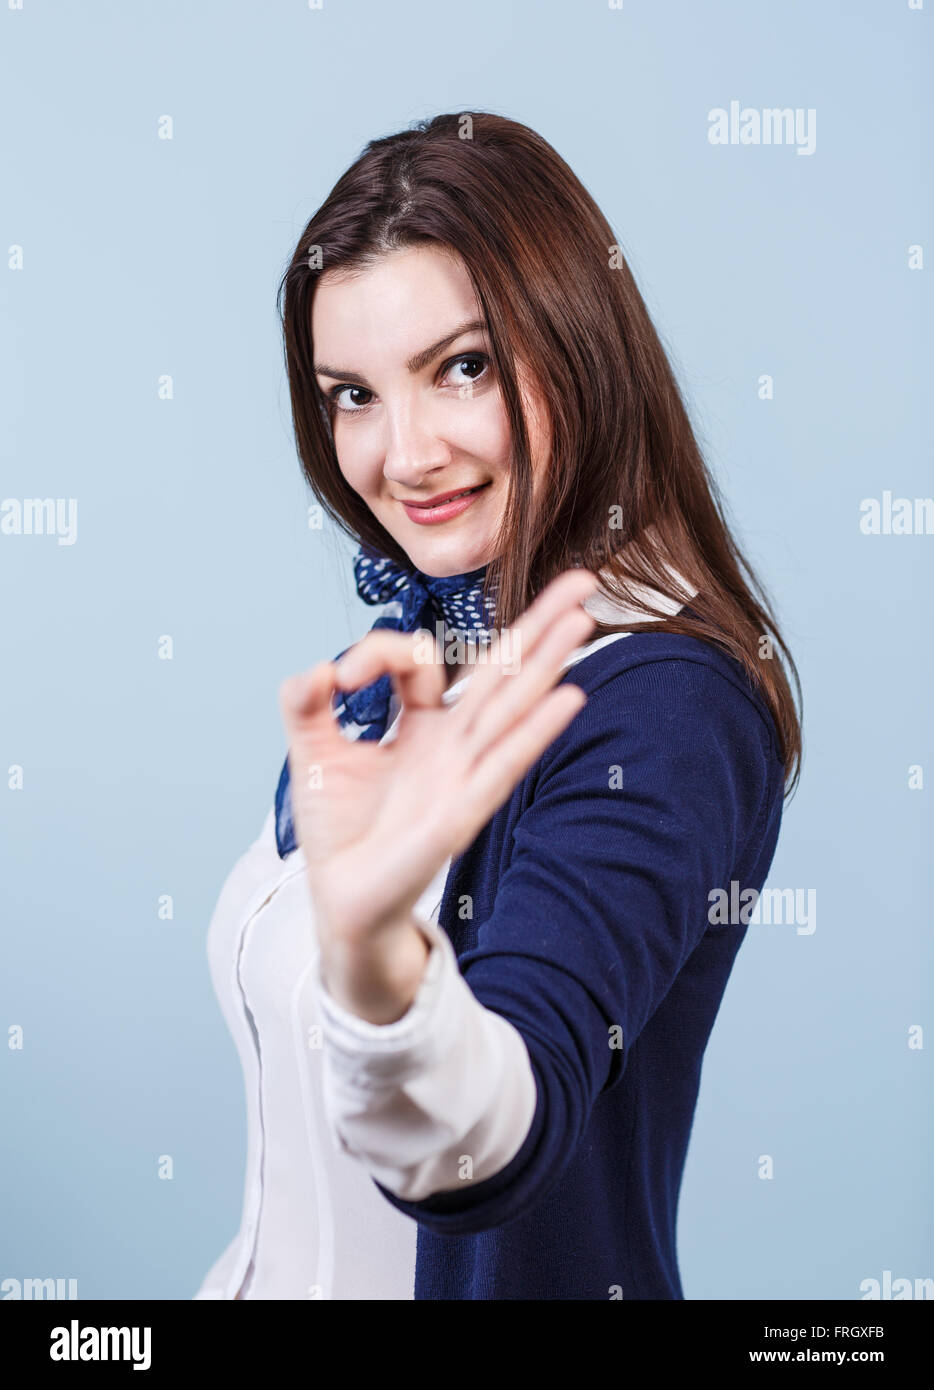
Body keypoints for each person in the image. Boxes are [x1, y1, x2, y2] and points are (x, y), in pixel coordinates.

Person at [194, 111, 801, 1302]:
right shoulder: (413, 661)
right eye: (350, 395)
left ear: (576, 344)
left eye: (460, 367)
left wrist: (374, 961)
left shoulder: (664, 704)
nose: (402, 454)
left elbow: (498, 1124)